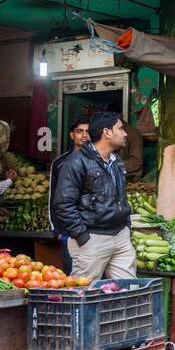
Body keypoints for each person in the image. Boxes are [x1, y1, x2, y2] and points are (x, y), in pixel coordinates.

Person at [50, 111, 136, 280]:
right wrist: (82, 237)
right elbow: (63, 204)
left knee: (127, 291)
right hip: (92, 238)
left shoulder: (116, 161)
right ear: (107, 132)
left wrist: (126, 226)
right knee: (83, 293)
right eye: (120, 128)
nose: (125, 133)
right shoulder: (74, 163)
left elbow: (120, 196)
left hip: (120, 236)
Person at [49, 120, 90, 274]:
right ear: (72, 135)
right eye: (79, 131)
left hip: (92, 229)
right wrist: (57, 229)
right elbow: (53, 196)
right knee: (72, 275)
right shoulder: (60, 163)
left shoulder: (99, 160)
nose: (84, 135)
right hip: (68, 229)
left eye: (87, 131)